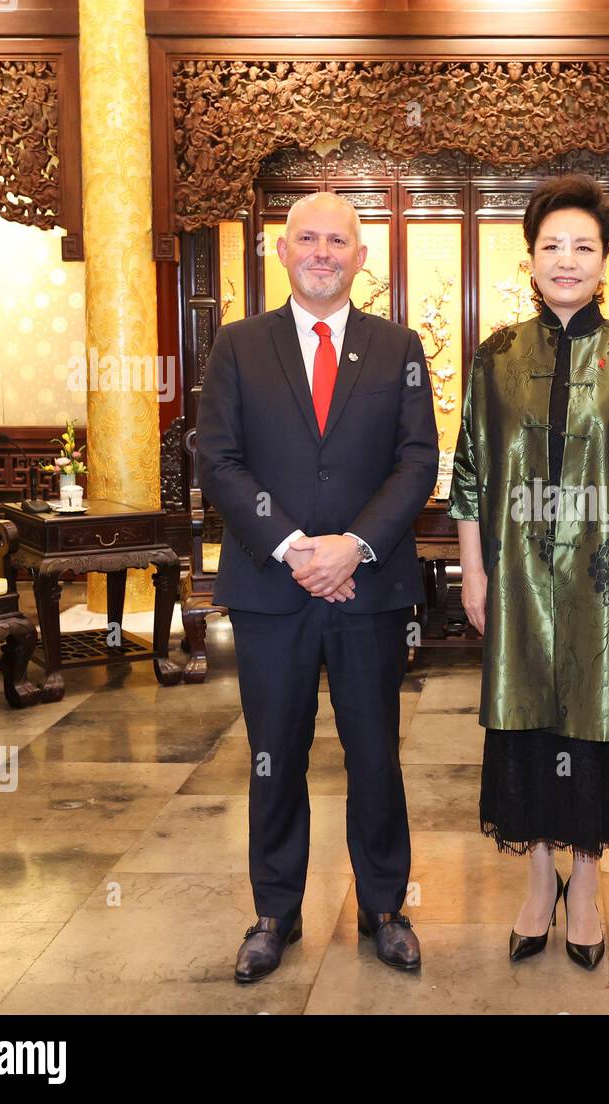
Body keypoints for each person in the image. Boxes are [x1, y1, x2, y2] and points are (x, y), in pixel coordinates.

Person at [197, 192, 438, 981]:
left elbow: (417, 461)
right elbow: (220, 462)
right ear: (283, 250)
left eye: (340, 240)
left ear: (362, 257)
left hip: (369, 592)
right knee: (275, 755)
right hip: (273, 588)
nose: (323, 251)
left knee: (376, 754)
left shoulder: (397, 344)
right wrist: (298, 547)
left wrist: (356, 546)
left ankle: (384, 907)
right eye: (309, 238)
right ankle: (274, 912)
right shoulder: (238, 345)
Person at [448, 173, 609, 969]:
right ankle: (538, 877)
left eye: (584, 245)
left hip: (606, 579)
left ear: (606, 257)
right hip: (515, 578)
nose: (568, 259)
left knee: (597, 723)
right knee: (526, 723)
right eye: (553, 246)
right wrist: (472, 576)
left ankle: (586, 881)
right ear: (530, 258)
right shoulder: (498, 354)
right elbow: (471, 473)